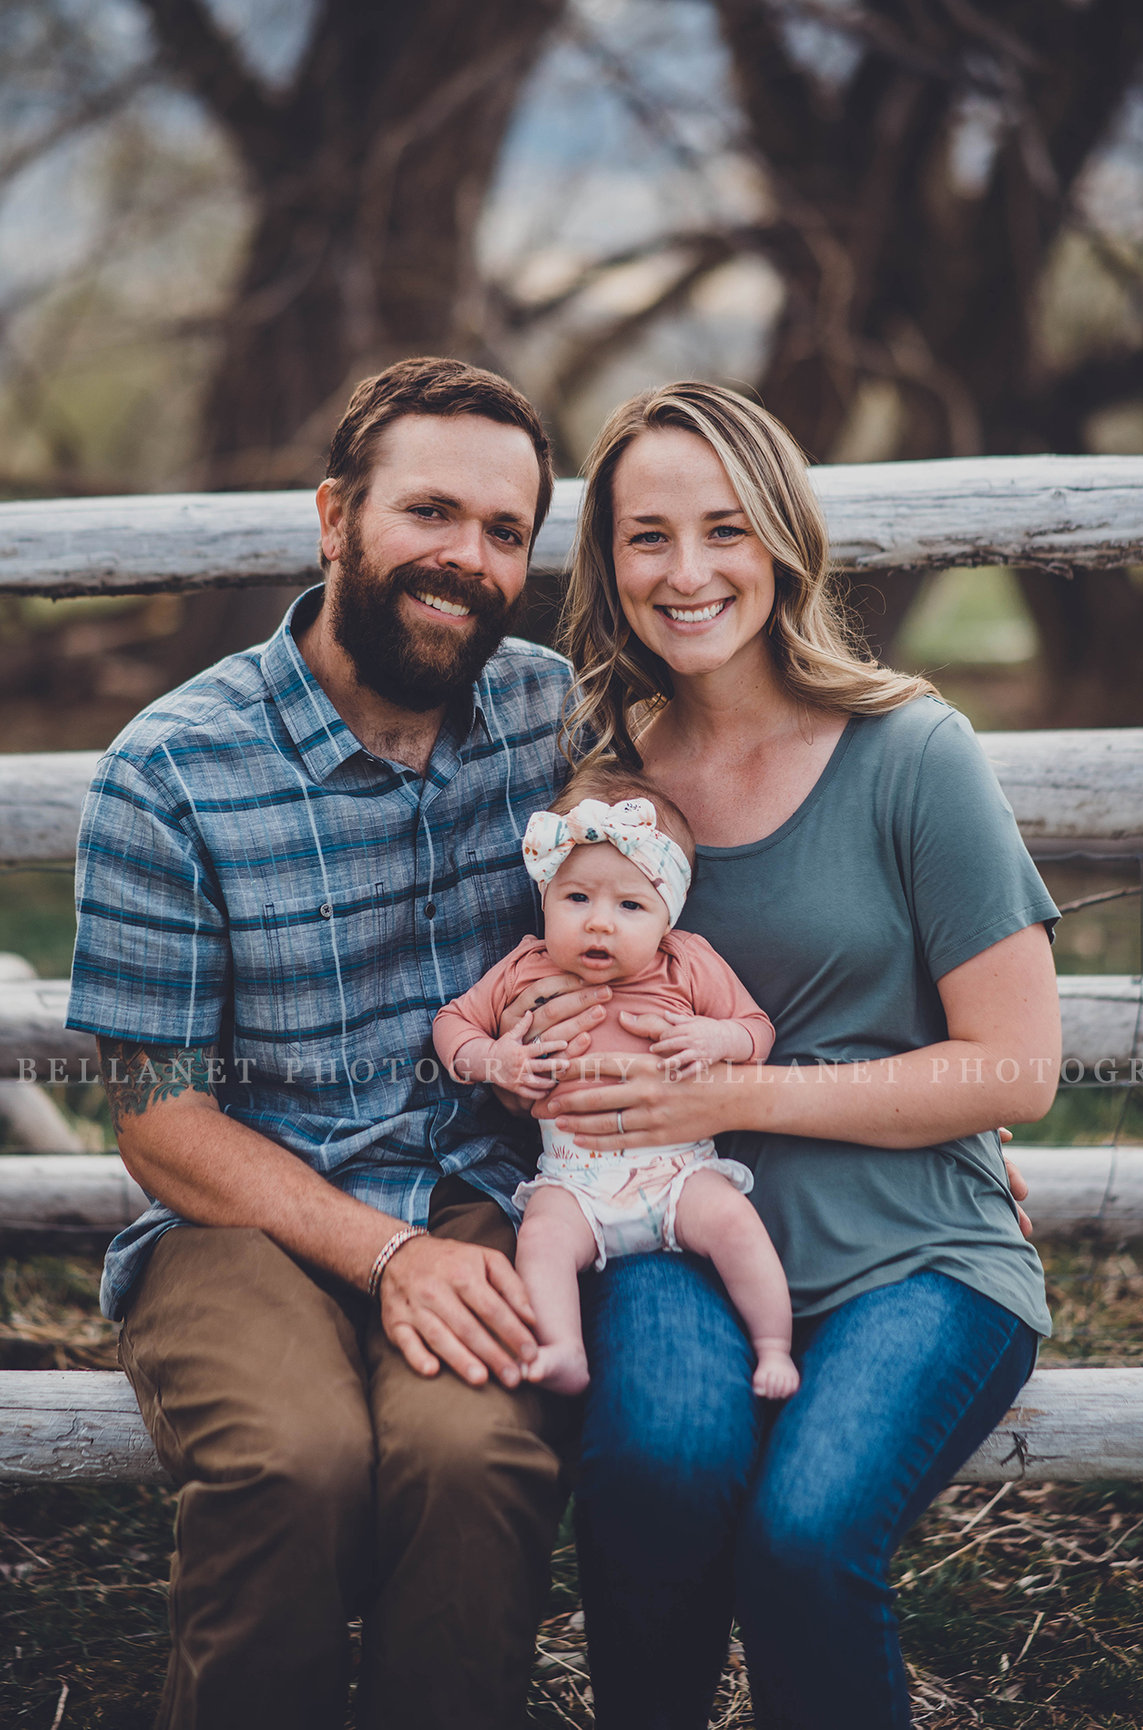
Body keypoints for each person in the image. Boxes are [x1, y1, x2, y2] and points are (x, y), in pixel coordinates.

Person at [64, 357, 613, 1730]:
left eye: (502, 532)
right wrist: (382, 1253)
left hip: (480, 1193)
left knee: (471, 1453)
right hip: (236, 1208)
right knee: (293, 1462)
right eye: (429, 512)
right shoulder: (173, 767)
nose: (466, 560)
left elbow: (731, 865)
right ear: (333, 517)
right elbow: (152, 1114)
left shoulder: (548, 715)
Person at [509, 380, 1062, 1730]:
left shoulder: (910, 750)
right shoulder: (592, 771)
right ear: (605, 561)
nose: (685, 572)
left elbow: (1014, 1068)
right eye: (645, 536)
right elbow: (531, 983)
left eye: (722, 528)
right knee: (658, 1468)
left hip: (912, 1249)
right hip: (668, 1237)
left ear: (782, 540)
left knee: (804, 1538)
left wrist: (735, 1088)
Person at [433, 762, 796, 1400]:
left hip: (679, 1170)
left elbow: (756, 1028)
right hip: (574, 1176)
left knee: (737, 1225)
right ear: (545, 896)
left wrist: (718, 1040)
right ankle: (563, 1349)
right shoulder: (523, 969)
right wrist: (494, 1060)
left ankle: (774, 1346)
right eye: (577, 899)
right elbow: (451, 1022)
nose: (600, 922)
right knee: (542, 1238)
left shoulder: (689, 964)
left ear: (667, 917)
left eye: (630, 905)